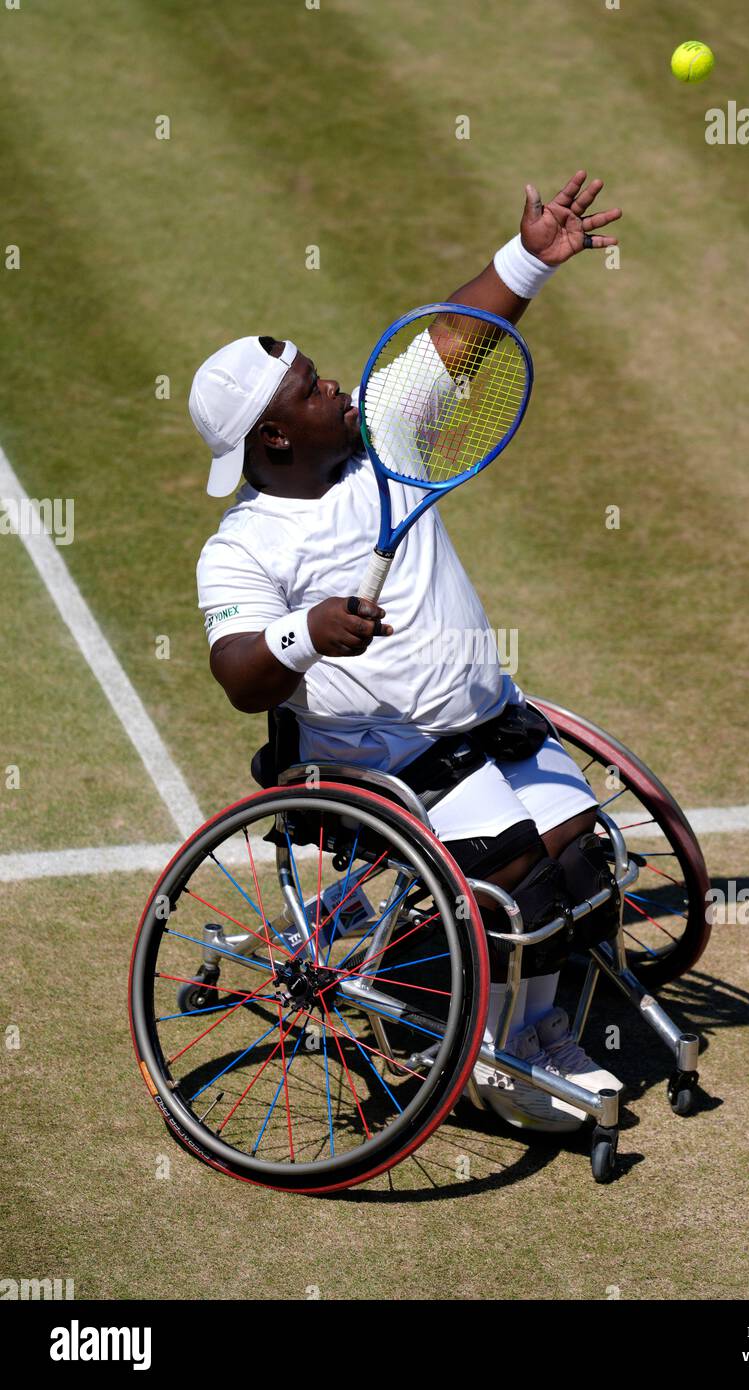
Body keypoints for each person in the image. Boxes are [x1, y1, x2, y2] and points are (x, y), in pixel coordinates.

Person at [190, 170, 623, 1132]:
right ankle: (493, 1054)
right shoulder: (242, 549)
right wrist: (310, 632)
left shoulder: (385, 430)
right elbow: (237, 676)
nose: (334, 383)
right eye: (310, 387)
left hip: (486, 718)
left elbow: (456, 339)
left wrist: (530, 256)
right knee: (518, 883)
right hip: (385, 760)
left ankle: (535, 1029)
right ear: (272, 435)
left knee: (581, 864)